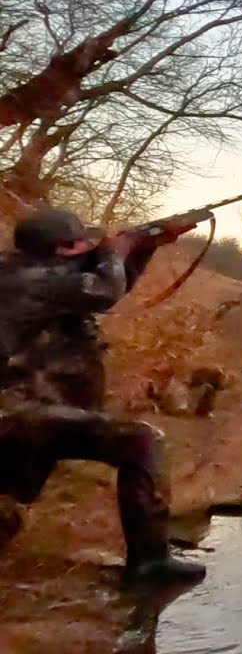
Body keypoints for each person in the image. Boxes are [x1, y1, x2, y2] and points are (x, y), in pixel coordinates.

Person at [0, 207, 205, 582]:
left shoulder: (29, 273)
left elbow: (110, 288)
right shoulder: (31, 279)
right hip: (22, 411)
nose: (89, 244)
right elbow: (104, 290)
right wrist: (116, 249)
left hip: (30, 409)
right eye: (81, 242)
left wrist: (144, 247)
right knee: (142, 442)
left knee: (10, 503)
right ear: (62, 250)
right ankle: (150, 563)